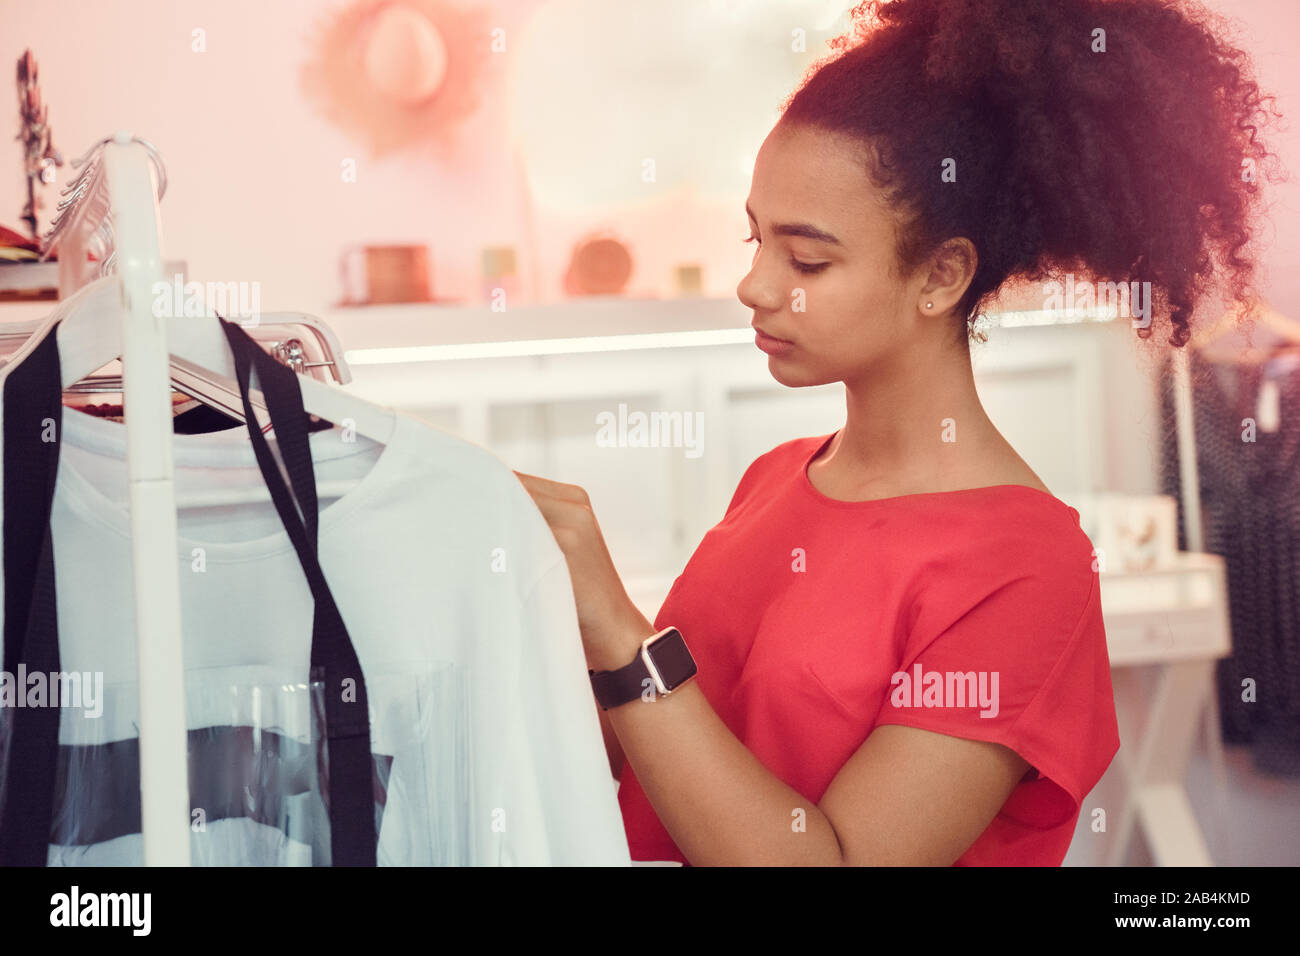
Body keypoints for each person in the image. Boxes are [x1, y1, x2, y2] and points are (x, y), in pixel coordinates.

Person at [515, 0, 1282, 865]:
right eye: (755, 238)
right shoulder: (774, 479)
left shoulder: (1026, 569)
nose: (755, 285)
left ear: (942, 274)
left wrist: (623, 635)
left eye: (808, 260)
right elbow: (658, 751)